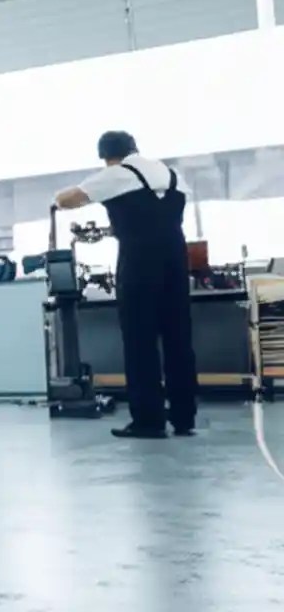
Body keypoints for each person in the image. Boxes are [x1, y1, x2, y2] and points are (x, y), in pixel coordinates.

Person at [53, 131, 197, 439]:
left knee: (139, 340)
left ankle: (149, 421)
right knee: (178, 338)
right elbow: (154, 213)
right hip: (175, 257)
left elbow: (65, 200)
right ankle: (185, 418)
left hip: (139, 261)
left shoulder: (116, 174)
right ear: (135, 148)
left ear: (107, 156)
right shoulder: (173, 175)